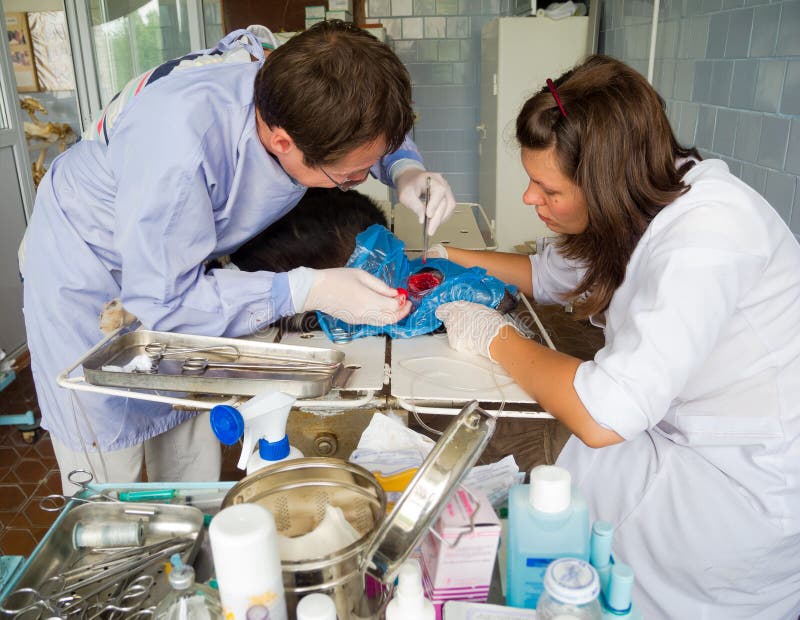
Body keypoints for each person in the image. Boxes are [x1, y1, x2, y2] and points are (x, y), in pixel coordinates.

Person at [433, 55, 800, 618]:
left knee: (600, 569)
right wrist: (440, 259)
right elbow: (549, 277)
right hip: (672, 431)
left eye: (546, 188)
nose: (531, 200)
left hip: (736, 493)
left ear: (604, 183)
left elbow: (605, 415)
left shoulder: (709, 237)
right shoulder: (645, 196)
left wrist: (494, 338)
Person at [21, 21, 456, 493]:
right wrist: (306, 289)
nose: (356, 180)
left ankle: (186, 546)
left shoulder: (291, 75)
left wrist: (402, 165)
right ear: (285, 142)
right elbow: (163, 304)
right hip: (92, 266)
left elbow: (360, 111)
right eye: (351, 175)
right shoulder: (176, 152)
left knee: (188, 432)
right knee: (109, 477)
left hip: (180, 255)